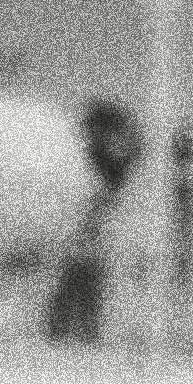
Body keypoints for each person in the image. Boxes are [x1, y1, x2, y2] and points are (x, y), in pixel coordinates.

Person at [48, 98, 140, 345]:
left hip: (95, 221)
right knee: (80, 272)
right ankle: (68, 328)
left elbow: (124, 163)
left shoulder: (104, 157)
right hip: (89, 221)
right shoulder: (93, 156)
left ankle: (75, 328)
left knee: (85, 272)